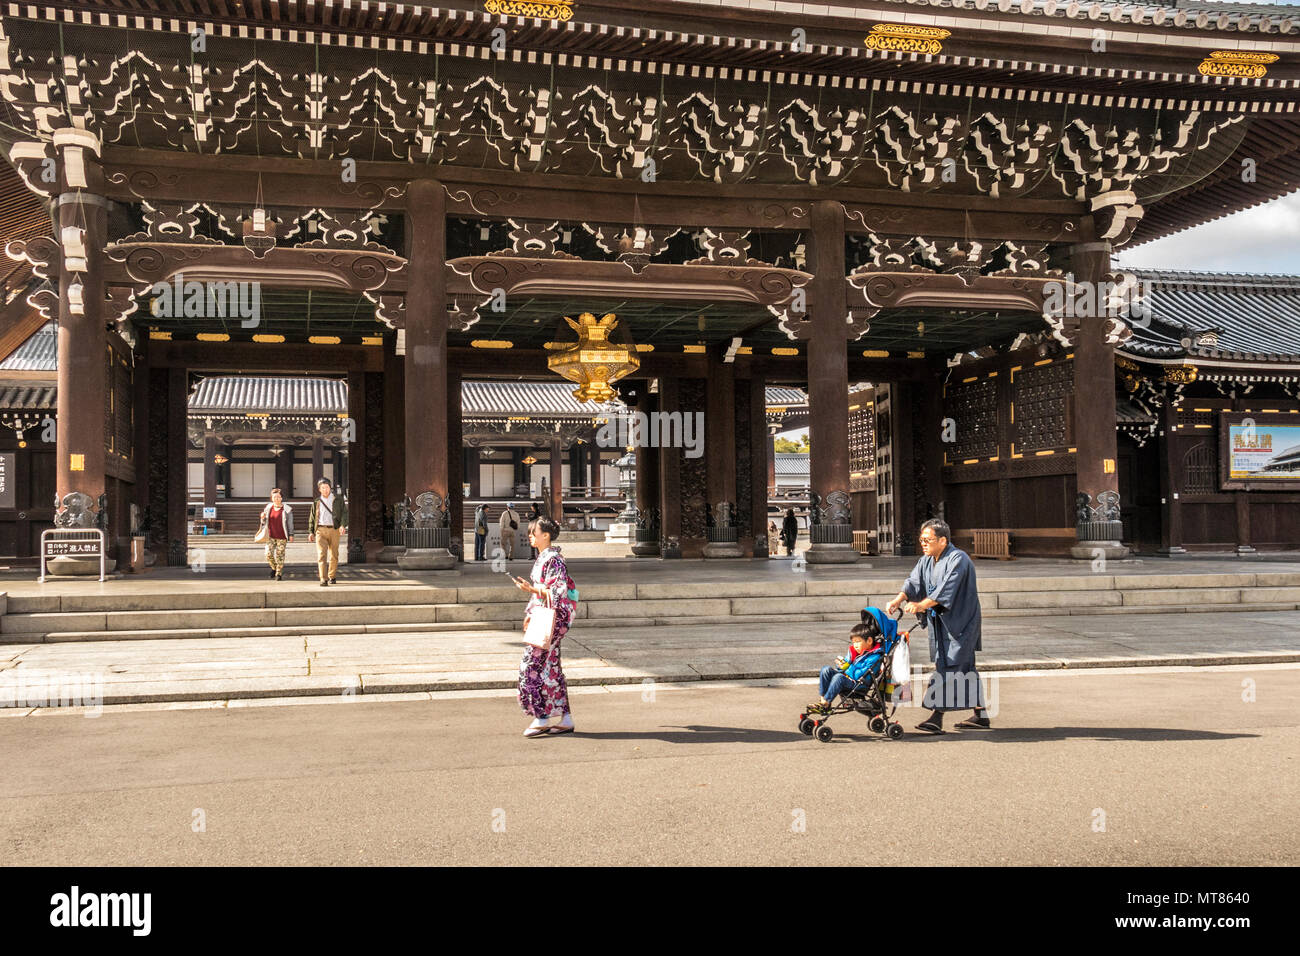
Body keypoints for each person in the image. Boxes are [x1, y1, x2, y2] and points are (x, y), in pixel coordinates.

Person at [886, 518, 990, 734]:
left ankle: (936, 716)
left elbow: (945, 589)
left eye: (928, 540)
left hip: (961, 622)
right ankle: (981, 715)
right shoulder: (927, 559)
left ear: (942, 540)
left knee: (949, 666)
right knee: (964, 666)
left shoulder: (958, 559)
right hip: (942, 622)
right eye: (921, 540)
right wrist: (899, 599)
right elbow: (913, 582)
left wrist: (921, 605)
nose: (923, 543)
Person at [512, 516, 577, 737]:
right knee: (552, 667)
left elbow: (557, 593)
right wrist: (530, 612)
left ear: (546, 535)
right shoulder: (544, 558)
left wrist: (532, 591)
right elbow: (545, 592)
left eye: (534, 532)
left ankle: (542, 717)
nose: (530, 535)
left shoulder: (554, 560)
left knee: (531, 667)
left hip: (552, 618)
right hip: (545, 616)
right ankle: (565, 718)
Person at [807, 613, 891, 713]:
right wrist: (841, 665)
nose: (855, 645)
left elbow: (860, 675)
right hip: (848, 677)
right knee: (826, 670)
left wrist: (847, 667)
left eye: (858, 642)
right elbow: (845, 665)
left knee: (839, 678)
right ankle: (823, 701)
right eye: (853, 642)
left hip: (859, 683)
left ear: (869, 641)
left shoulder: (874, 657)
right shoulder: (853, 652)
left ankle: (825, 704)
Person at [308, 477, 348, 587]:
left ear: (330, 487)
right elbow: (312, 517)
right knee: (321, 555)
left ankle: (332, 575)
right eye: (323, 488)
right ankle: (323, 578)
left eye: (327, 487)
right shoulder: (317, 502)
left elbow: (345, 513)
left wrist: (342, 525)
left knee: (334, 554)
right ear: (319, 489)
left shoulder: (338, 499)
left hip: (334, 529)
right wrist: (311, 531)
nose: (325, 489)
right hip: (320, 530)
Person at [258, 488, 293, 581]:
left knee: (280, 555)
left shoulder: (287, 509)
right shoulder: (268, 508)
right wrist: (262, 518)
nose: (276, 499)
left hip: (282, 536)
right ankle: (274, 568)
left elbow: (290, 523)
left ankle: (278, 573)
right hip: (270, 535)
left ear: (281, 498)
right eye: (274, 497)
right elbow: (263, 522)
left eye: (278, 497)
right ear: (271, 498)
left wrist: (291, 534)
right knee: (268, 553)